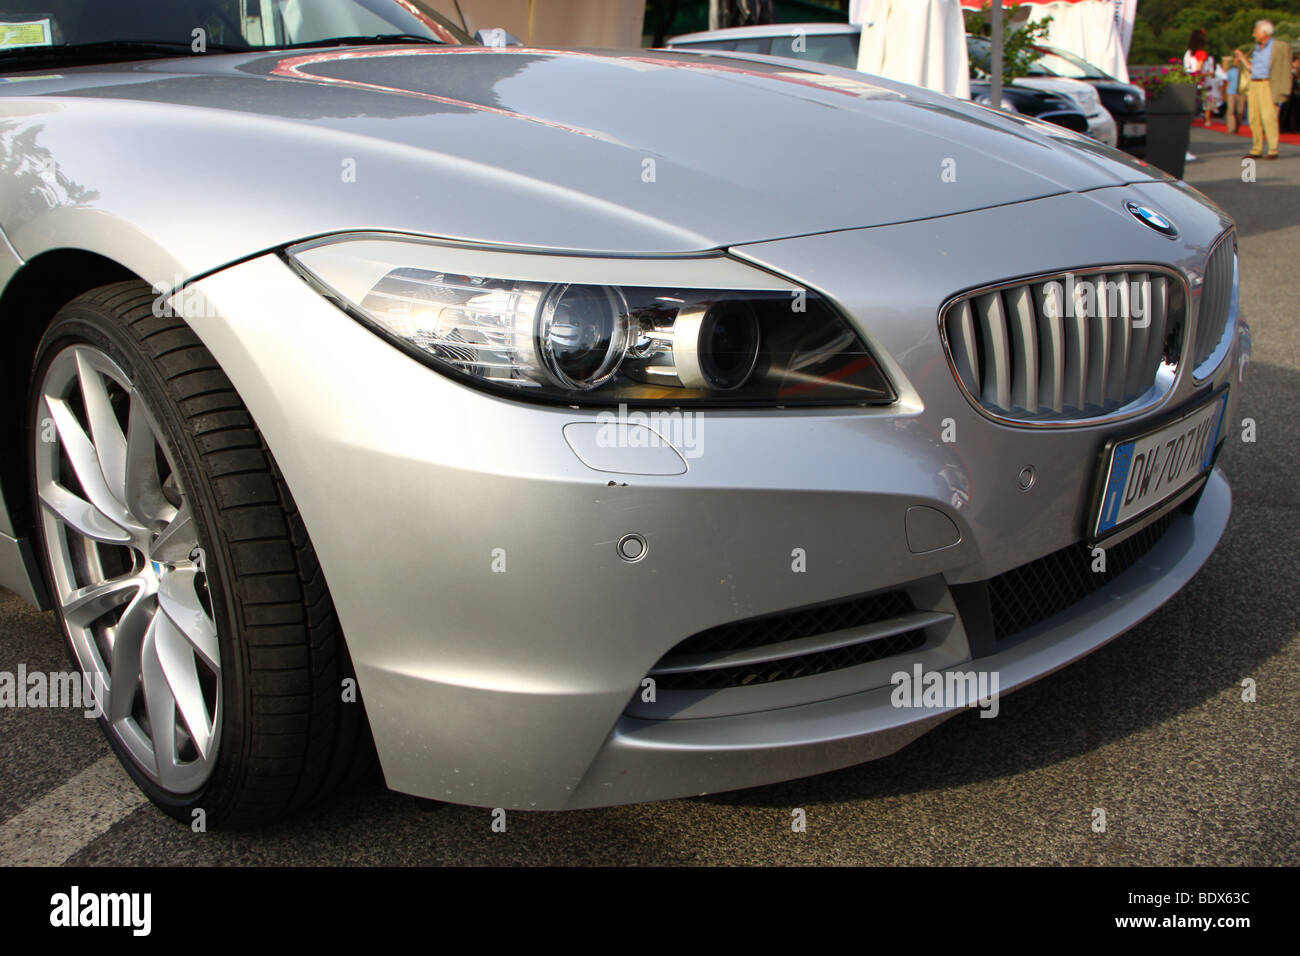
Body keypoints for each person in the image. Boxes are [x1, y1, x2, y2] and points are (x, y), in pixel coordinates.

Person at [1234, 20, 1293, 159]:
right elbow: (1252, 68)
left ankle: (1273, 149)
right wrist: (1242, 59)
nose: (1253, 34)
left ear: (1264, 32)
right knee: (1254, 118)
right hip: (1254, 84)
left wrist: (1284, 89)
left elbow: (1286, 68)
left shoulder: (1280, 46)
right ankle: (1257, 149)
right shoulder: (1256, 48)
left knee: (1269, 117)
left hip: (1268, 84)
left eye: (1256, 31)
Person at [1224, 52, 1245, 133]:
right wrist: (1225, 93)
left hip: (1241, 92)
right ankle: (1231, 128)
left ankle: (1237, 126)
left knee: (1240, 112)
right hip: (1231, 92)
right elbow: (1228, 82)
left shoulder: (1244, 71)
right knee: (1231, 110)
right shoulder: (1231, 71)